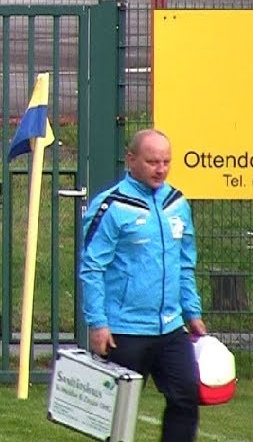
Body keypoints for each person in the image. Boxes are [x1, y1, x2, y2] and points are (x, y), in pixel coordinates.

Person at [80, 129, 207, 442]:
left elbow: (185, 262)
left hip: (171, 328)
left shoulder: (177, 203)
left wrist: (192, 312)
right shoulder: (111, 206)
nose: (160, 169)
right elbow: (92, 266)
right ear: (131, 159)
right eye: (152, 161)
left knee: (185, 397)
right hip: (125, 330)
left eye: (166, 161)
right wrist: (98, 323)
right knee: (114, 412)